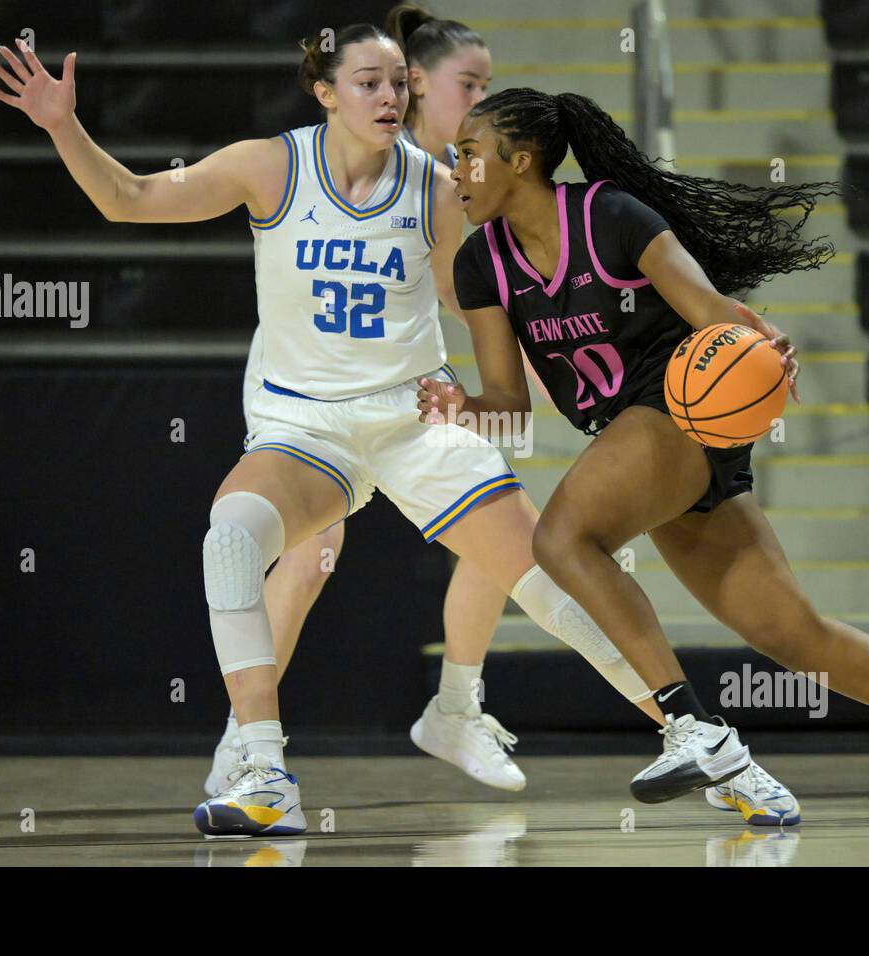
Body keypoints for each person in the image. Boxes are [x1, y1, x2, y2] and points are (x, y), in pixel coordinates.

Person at [0, 24, 786, 839]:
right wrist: (62, 123)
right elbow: (128, 200)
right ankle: (264, 768)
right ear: (325, 92)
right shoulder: (270, 166)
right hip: (307, 426)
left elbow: (484, 304)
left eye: (399, 84)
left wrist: (634, 354)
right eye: (367, 82)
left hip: (415, 418)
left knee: (555, 588)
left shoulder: (440, 190)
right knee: (230, 539)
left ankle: (718, 754)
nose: (390, 98)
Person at [430, 87, 869, 834]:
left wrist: (762, 343)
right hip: (633, 439)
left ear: (519, 160)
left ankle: (695, 728)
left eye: (466, 153)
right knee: (794, 637)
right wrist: (458, 407)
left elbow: (711, 311)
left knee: (559, 537)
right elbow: (510, 403)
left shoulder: (611, 216)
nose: (453, 168)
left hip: (683, 408)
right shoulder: (478, 263)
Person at [205, 4, 520, 799]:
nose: (477, 101)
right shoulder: (353, 156)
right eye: (466, 84)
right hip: (306, 387)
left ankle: (456, 704)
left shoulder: (448, 179)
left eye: (488, 85)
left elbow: (466, 298)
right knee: (307, 557)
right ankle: (245, 741)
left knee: (497, 530)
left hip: (398, 383)